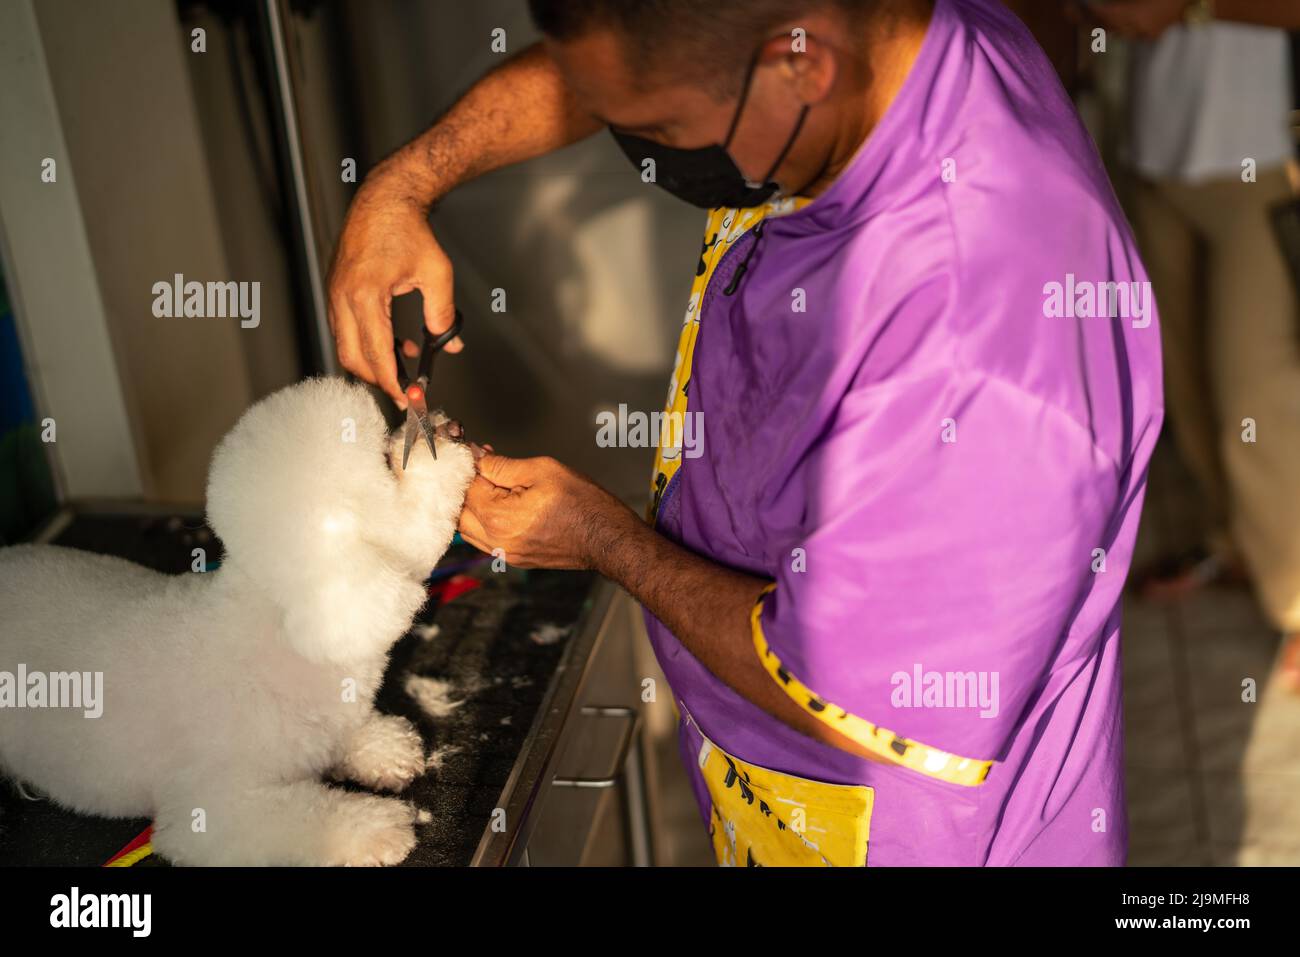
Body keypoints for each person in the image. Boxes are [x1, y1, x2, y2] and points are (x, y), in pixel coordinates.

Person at [328, 0, 1163, 866]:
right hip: (767, 771)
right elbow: (623, 63)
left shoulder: (980, 353)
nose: (645, 155)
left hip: (900, 824)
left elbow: (847, 695)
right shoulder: (883, 38)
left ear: (800, 67)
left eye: (662, 129)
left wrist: (602, 539)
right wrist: (405, 185)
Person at [1085, 0, 1300, 689]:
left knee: (1257, 394)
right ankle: (1231, 542)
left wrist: (1191, 8)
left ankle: (1298, 602)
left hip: (1262, 155)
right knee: (1185, 383)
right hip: (1156, 145)